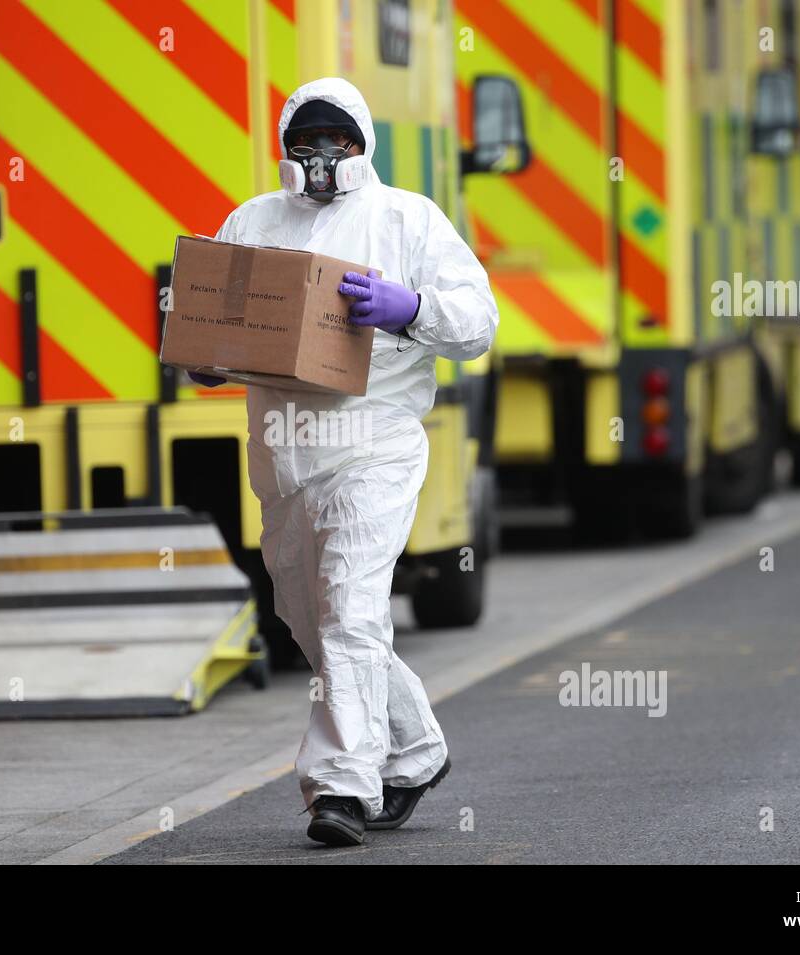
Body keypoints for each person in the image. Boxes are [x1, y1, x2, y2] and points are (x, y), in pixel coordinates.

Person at [193, 77, 498, 846]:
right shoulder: (252, 221)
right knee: (315, 619)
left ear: (362, 145)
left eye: (338, 141)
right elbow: (213, 321)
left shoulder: (406, 220)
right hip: (285, 459)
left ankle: (340, 787)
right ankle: (418, 750)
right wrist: (205, 357)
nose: (323, 157)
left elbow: (478, 320)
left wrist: (411, 309)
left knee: (353, 607)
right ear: (286, 146)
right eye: (309, 141)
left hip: (375, 444)